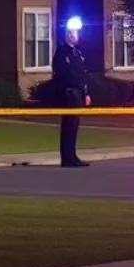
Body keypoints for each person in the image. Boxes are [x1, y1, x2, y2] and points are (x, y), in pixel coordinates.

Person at [51, 17, 92, 167]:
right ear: (67, 35)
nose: (75, 36)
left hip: (78, 94)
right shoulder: (62, 52)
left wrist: (86, 93)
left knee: (74, 126)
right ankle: (67, 158)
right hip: (68, 94)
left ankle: (72, 156)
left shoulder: (77, 54)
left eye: (76, 33)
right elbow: (63, 74)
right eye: (72, 33)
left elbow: (82, 74)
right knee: (68, 126)